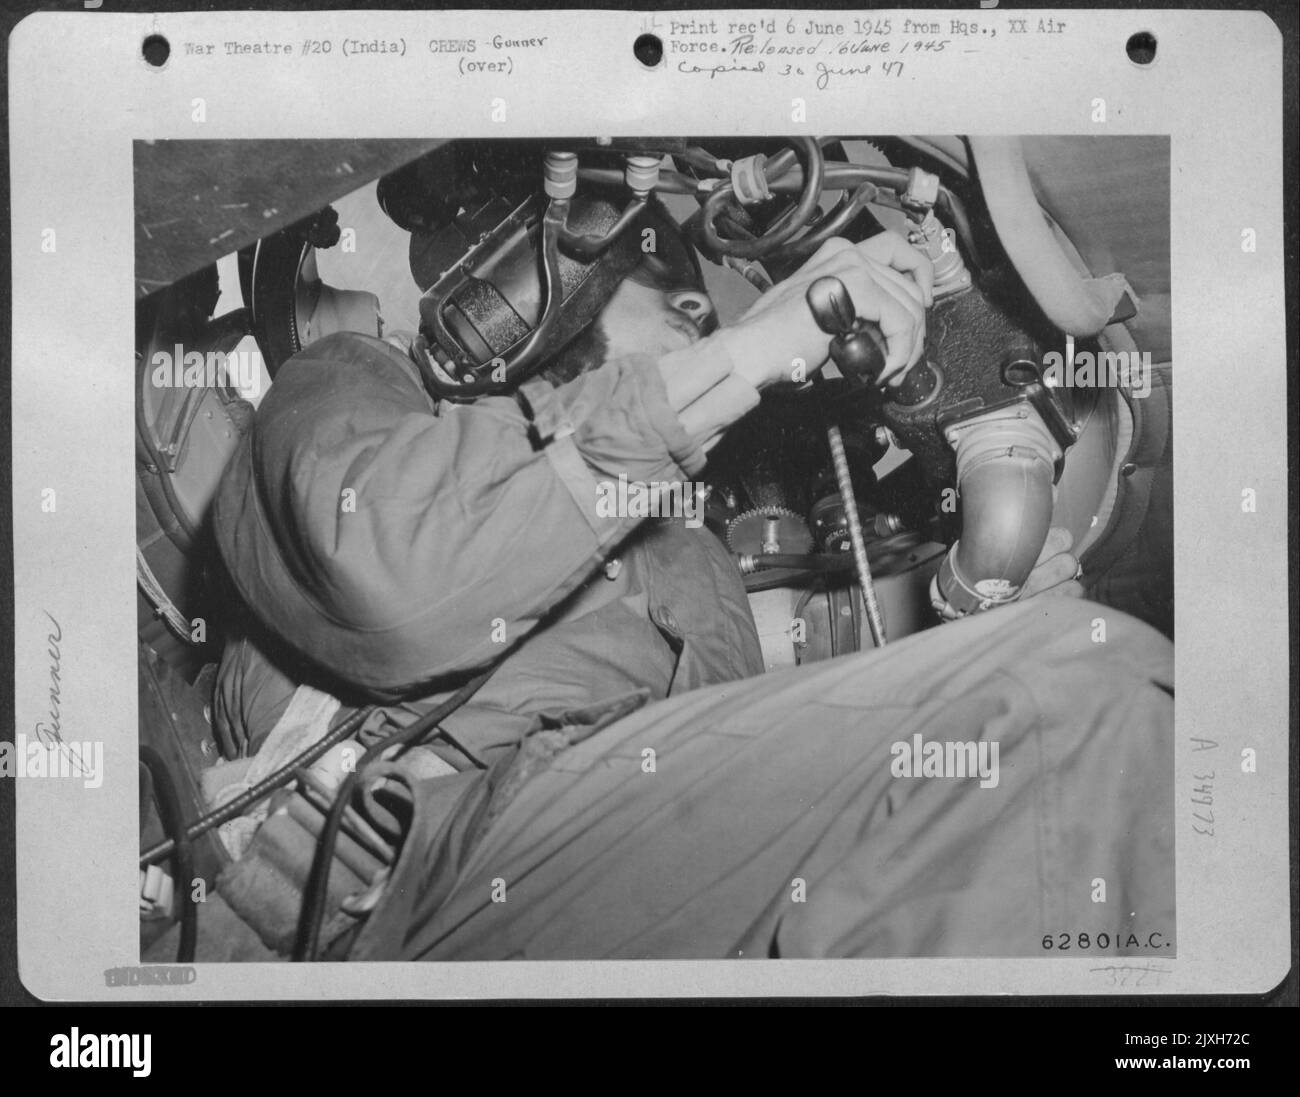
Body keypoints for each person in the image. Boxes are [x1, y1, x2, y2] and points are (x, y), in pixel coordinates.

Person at [206, 207, 1173, 960]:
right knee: (1073, 700)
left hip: (592, 899)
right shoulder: (358, 383)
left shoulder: (687, 550)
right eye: (654, 272)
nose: (700, 305)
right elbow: (400, 580)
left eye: (695, 294)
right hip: (385, 876)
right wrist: (750, 350)